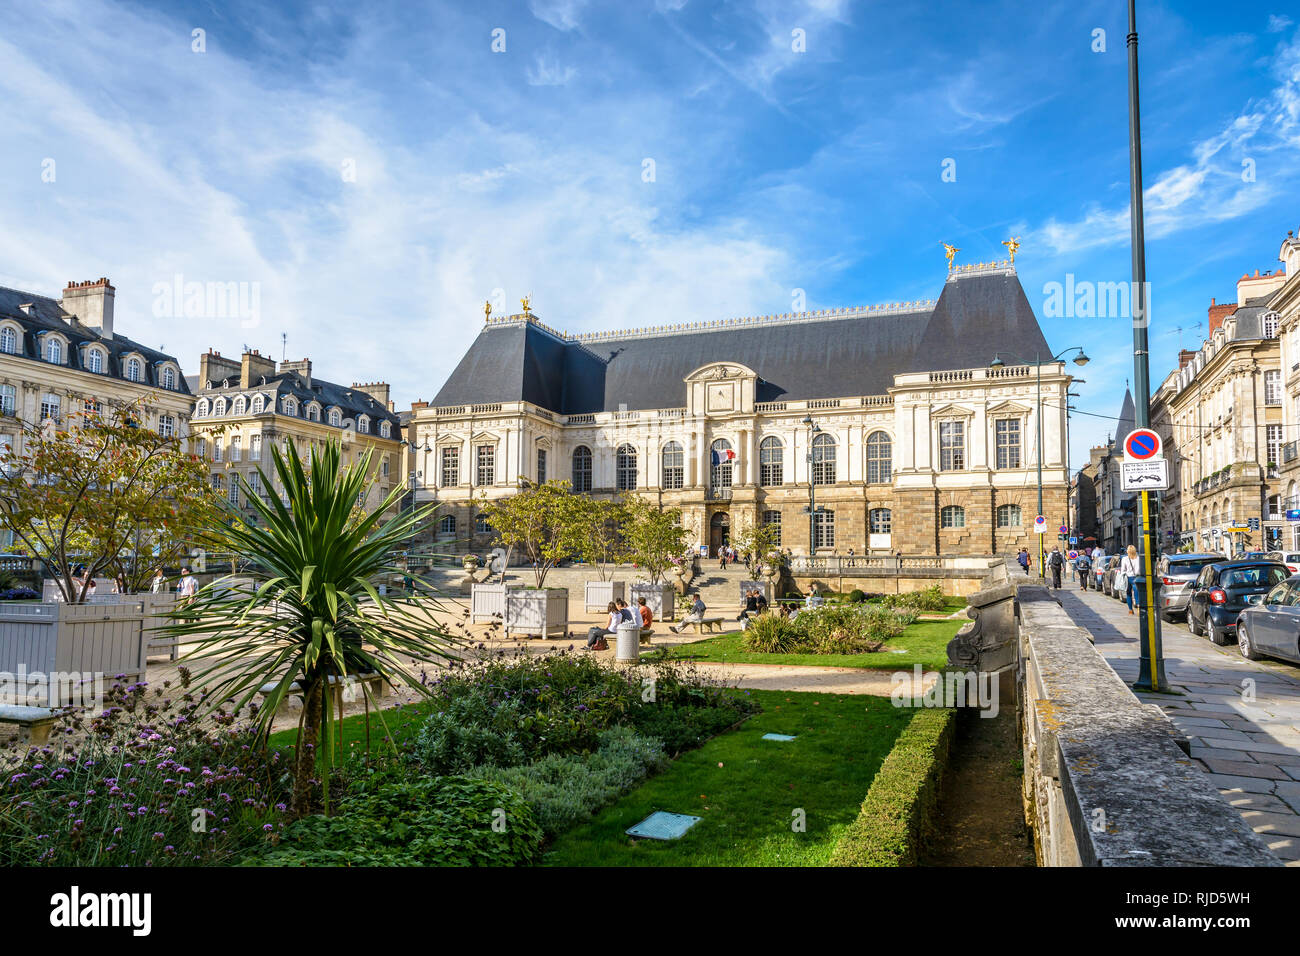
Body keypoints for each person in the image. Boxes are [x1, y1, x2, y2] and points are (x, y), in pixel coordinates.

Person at [1120, 545, 1141, 615]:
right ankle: (1138, 606)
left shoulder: (1125, 559)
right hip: (1137, 577)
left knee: (1128, 593)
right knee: (1137, 592)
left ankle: (1130, 610)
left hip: (1129, 577)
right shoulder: (1138, 558)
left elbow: (1123, 570)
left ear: (1127, 551)